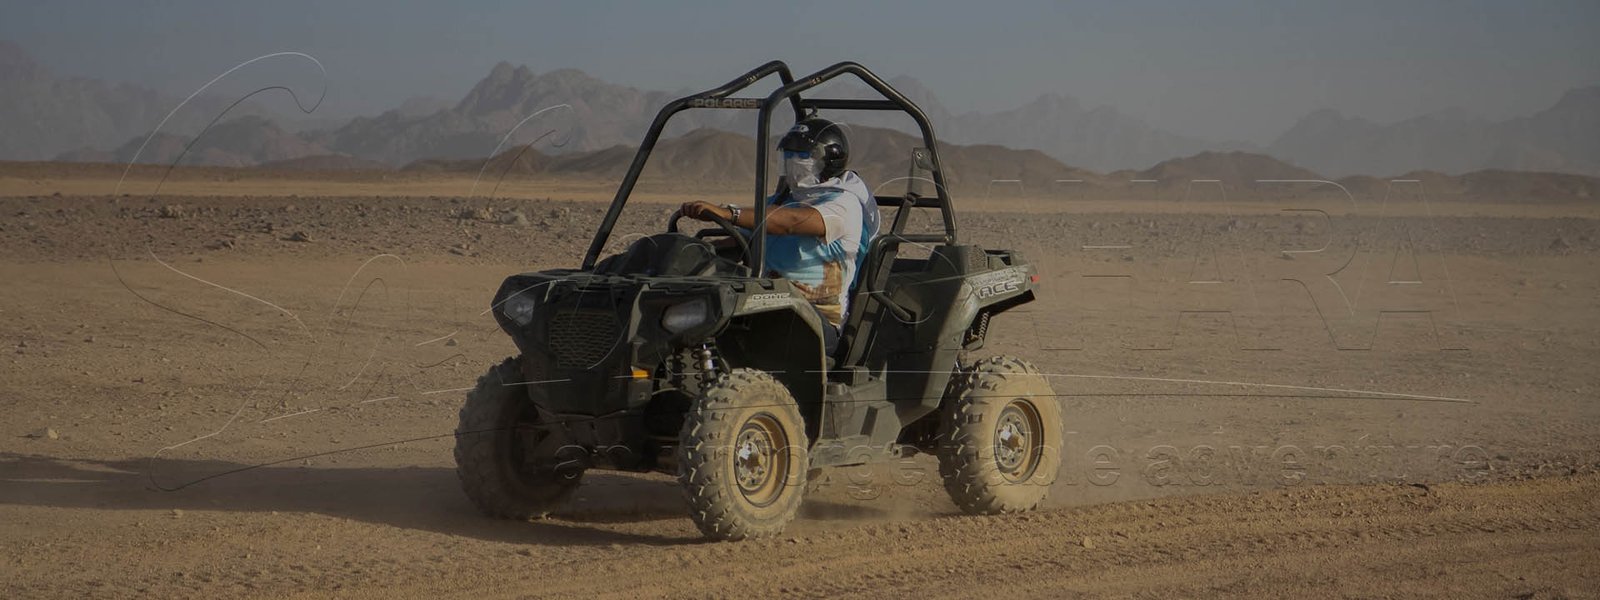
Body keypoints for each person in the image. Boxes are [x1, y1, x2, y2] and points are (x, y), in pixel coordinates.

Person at [679, 117, 879, 354]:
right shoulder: (785, 199)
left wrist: (728, 213)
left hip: (813, 319)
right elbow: (743, 240)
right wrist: (695, 252)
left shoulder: (843, 203)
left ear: (828, 160)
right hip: (768, 304)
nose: (792, 161)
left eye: (802, 156)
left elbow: (792, 223)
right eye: (788, 154)